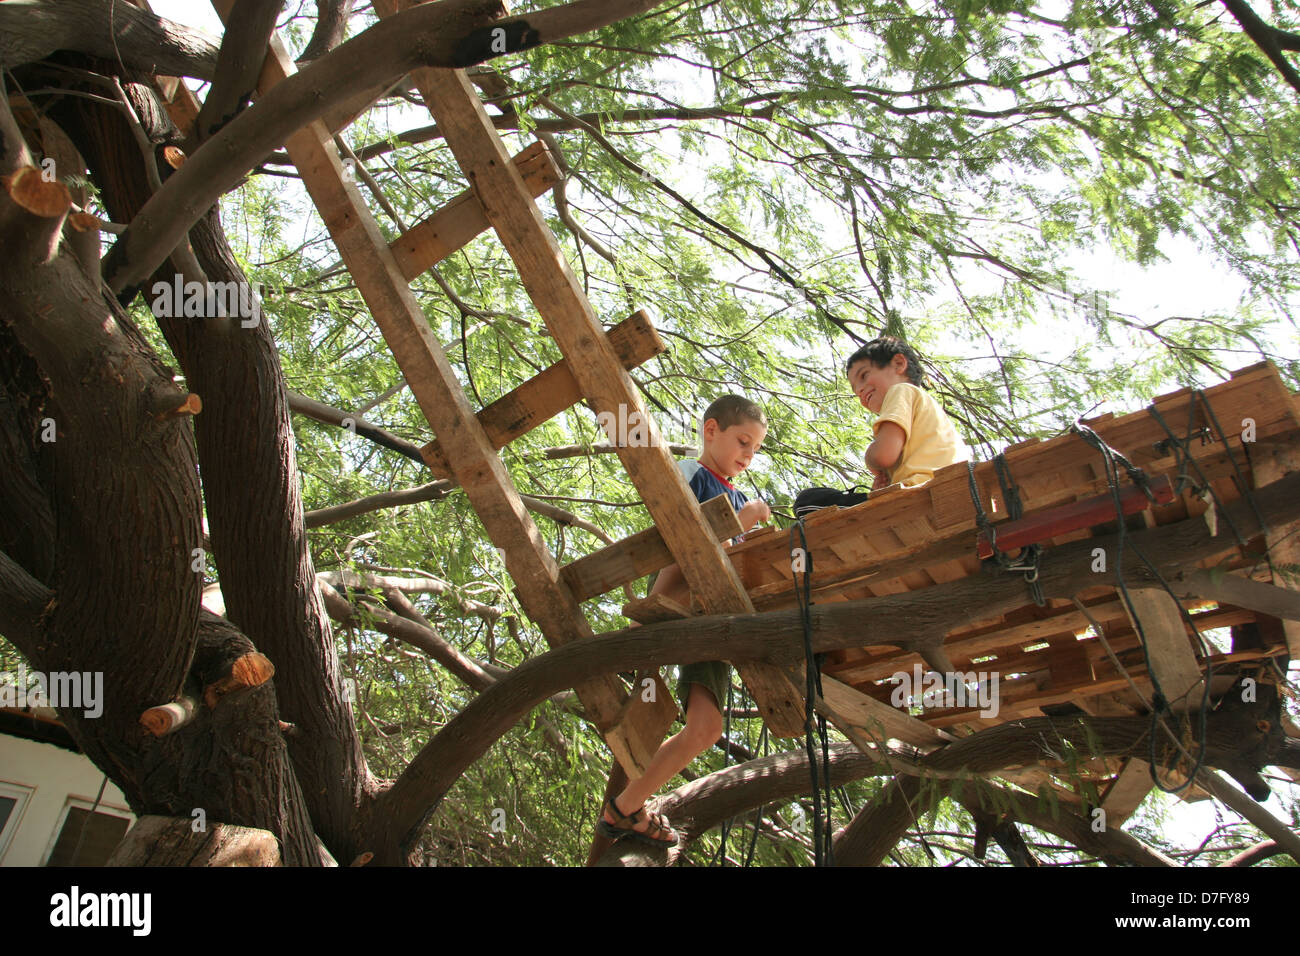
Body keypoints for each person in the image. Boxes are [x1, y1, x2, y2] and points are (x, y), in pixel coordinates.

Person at [597, 395, 770, 847]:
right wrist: (741, 520)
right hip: (683, 595)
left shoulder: (739, 495)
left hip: (718, 617)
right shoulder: (693, 475)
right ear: (711, 431)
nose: (748, 456)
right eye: (742, 442)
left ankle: (625, 807)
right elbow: (681, 538)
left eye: (755, 450)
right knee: (693, 552)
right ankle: (643, 631)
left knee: (707, 728)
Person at [845, 336, 967, 489]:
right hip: (949, 483)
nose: (859, 390)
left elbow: (882, 456)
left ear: (898, 364)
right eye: (855, 389)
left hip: (925, 487)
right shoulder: (921, 408)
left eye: (864, 375)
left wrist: (870, 457)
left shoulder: (901, 390)